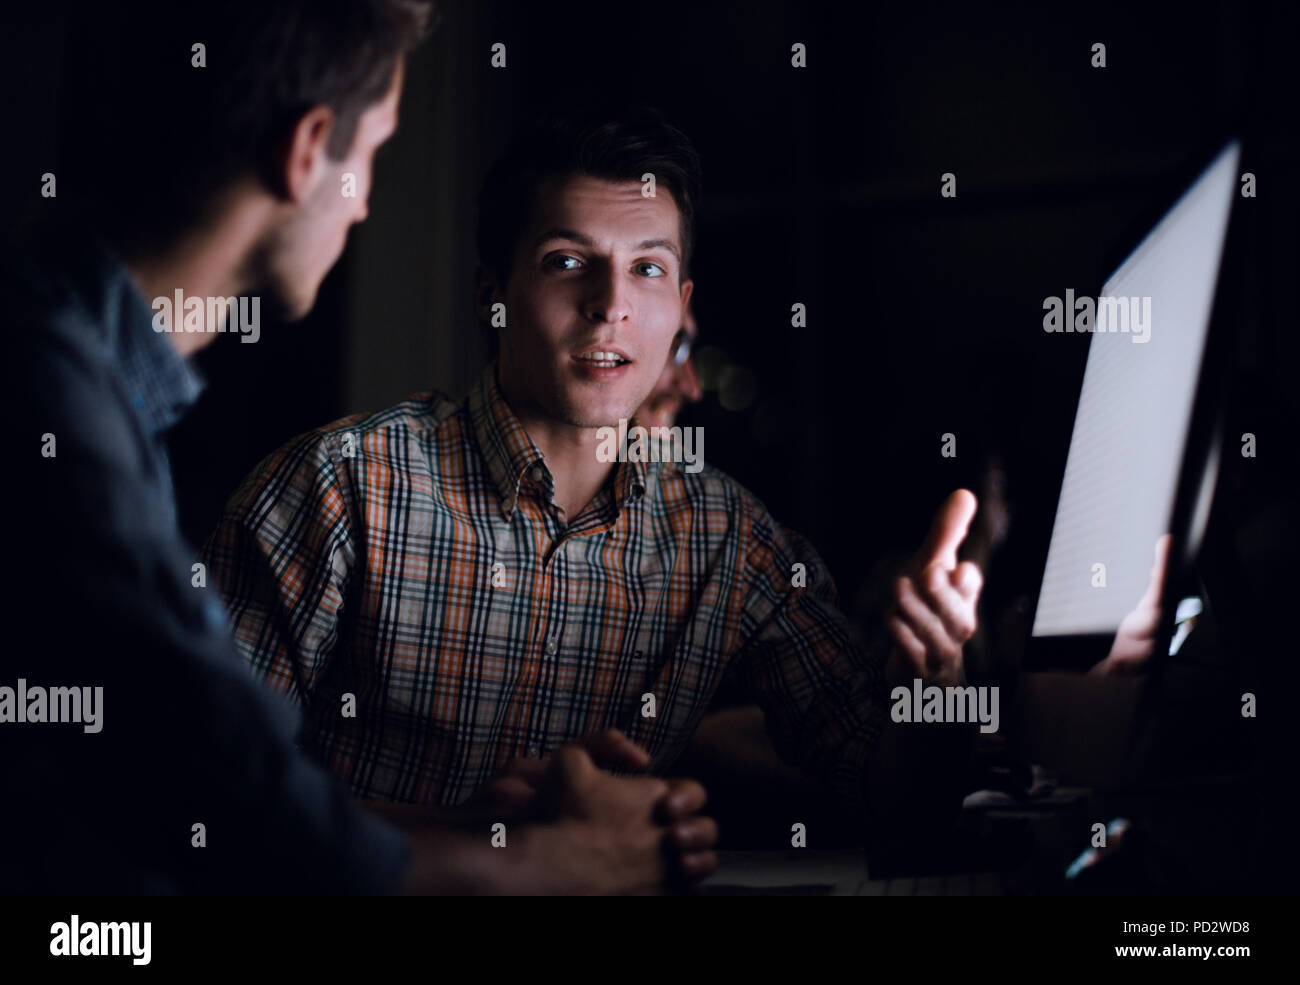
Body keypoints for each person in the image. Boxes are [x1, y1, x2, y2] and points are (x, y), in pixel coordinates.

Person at [1, 3, 714, 894]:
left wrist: (484, 830)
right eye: (372, 153)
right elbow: (202, 824)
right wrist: (559, 865)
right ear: (307, 154)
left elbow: (218, 792)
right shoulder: (55, 412)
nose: (368, 199)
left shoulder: (83, 377)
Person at [203, 108, 987, 841]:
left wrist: (940, 682)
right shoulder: (338, 490)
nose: (610, 304)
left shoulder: (731, 542)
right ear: (492, 295)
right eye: (567, 261)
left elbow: (889, 793)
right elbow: (191, 796)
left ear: (682, 307)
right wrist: (477, 835)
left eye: (647, 269)